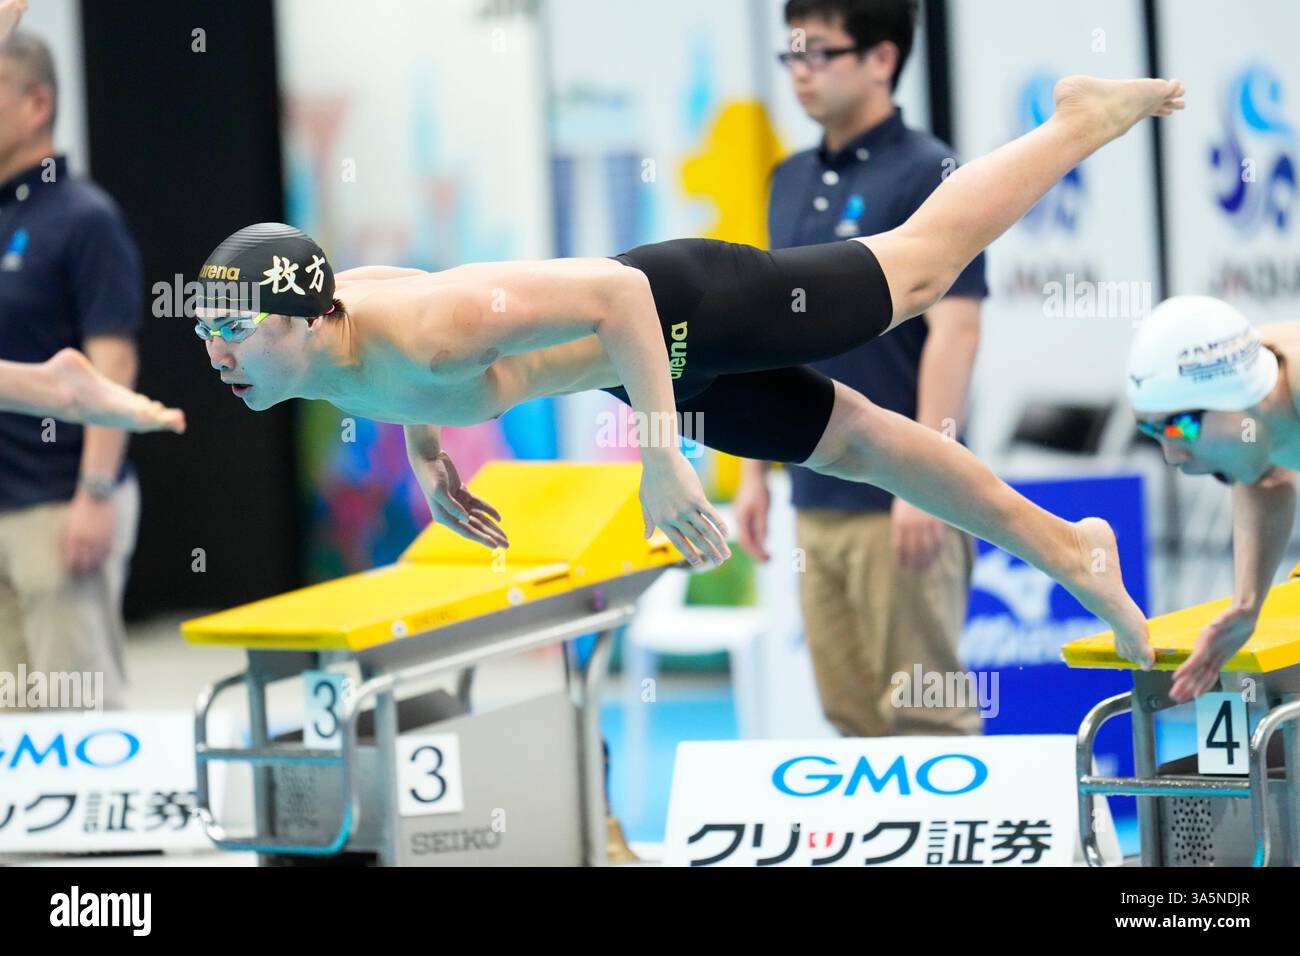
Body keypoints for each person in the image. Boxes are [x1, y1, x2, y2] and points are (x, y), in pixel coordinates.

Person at [195, 75, 1186, 667]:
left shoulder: (438, 326)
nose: (218, 357)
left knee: (919, 270)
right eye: (206, 339)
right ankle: (1071, 551)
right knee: (865, 447)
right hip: (642, 373)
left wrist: (660, 457)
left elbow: (618, 297)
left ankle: (1077, 119)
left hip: (677, 306)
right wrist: (427, 452)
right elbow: (382, 344)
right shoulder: (318, 348)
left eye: (233, 333)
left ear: (300, 315)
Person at [735, 0, 985, 737]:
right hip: (816, 491)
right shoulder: (785, 178)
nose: (801, 73)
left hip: (899, 494)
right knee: (849, 716)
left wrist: (926, 481)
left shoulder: (932, 173)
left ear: (881, 59)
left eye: (821, 54)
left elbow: (957, 329)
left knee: (927, 717)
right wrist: (754, 472)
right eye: (792, 55)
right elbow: (765, 333)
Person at [0, 29, 151, 709]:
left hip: (60, 505)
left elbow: (112, 360)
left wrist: (94, 491)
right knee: (12, 721)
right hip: (4, 502)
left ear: (38, 104)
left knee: (75, 711)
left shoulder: (84, 218)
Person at [1129, 295, 1300, 702]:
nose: (1173, 456)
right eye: (1153, 433)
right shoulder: (1257, 397)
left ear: (1243, 397)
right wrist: (1248, 606)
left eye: (1181, 426)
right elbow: (1265, 477)